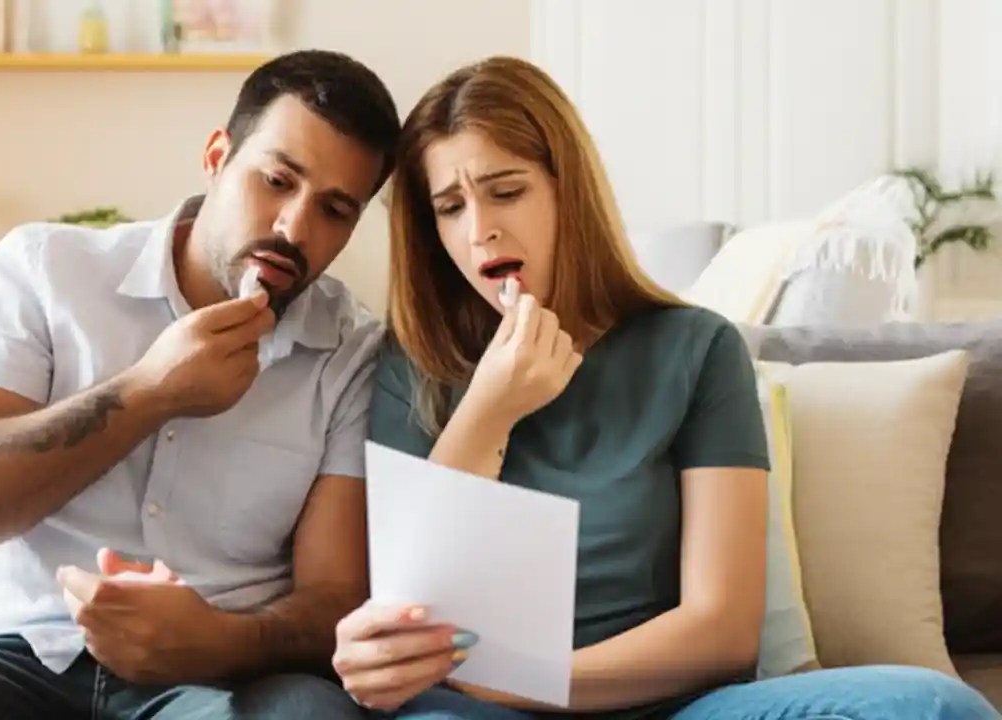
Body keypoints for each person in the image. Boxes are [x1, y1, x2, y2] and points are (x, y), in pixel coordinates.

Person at [331, 56, 999, 720]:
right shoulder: (410, 364)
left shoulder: (697, 349)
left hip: (674, 709)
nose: (480, 230)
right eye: (450, 208)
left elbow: (722, 632)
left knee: (934, 705)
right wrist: (489, 409)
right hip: (477, 716)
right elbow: (413, 612)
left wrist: (526, 681)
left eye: (506, 192)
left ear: (571, 192)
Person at [0, 49, 399, 720]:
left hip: (226, 682)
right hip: (15, 656)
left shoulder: (349, 351)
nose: (295, 227)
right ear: (216, 156)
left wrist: (219, 642)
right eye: (275, 179)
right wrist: (150, 391)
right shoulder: (45, 272)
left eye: (335, 210)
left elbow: (334, 601)